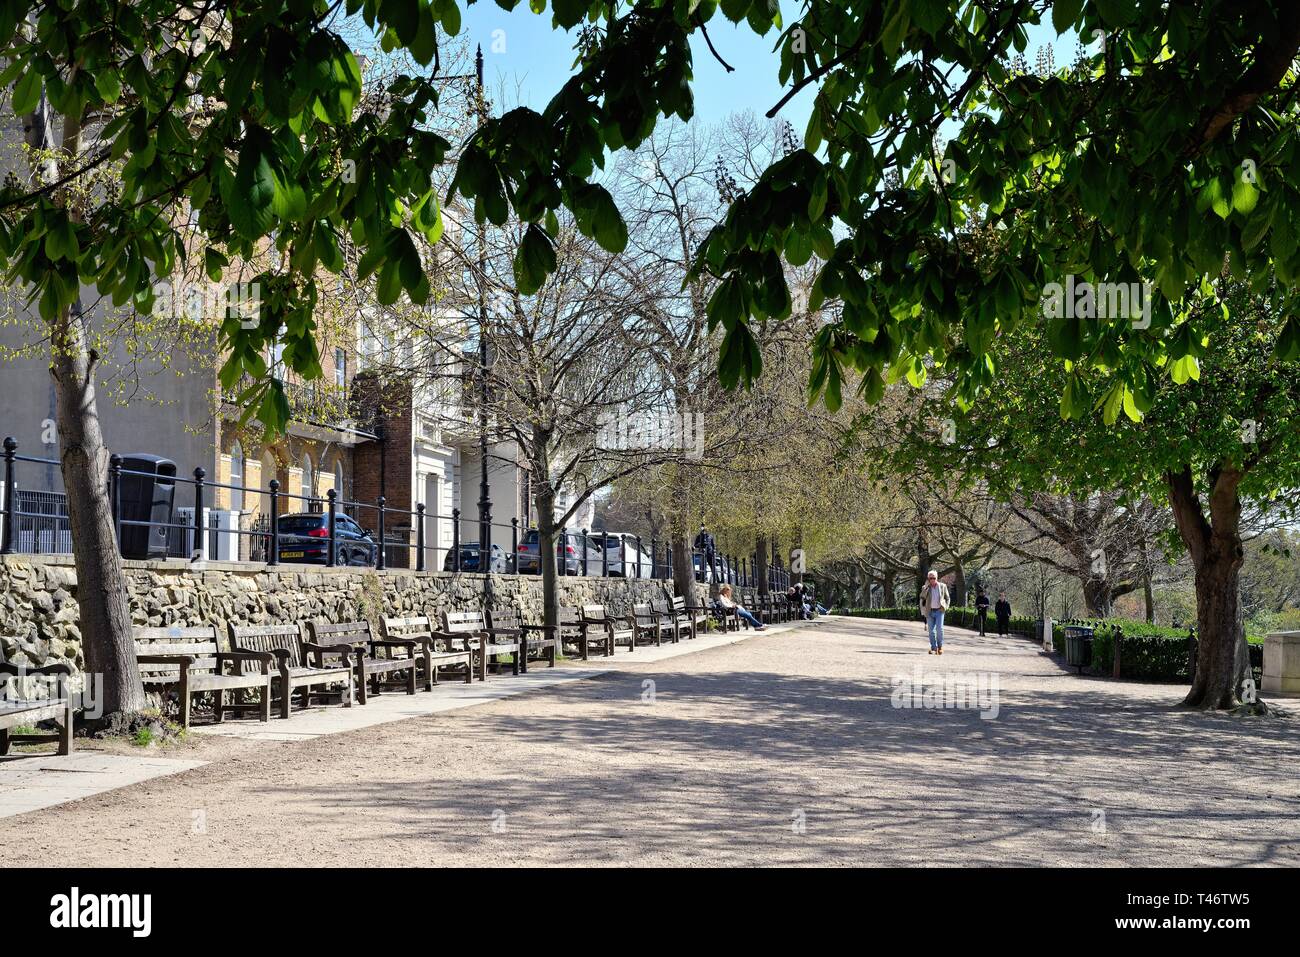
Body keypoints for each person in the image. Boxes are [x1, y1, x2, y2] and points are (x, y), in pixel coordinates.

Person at [918, 570, 950, 655]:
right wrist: (926, 588)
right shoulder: (925, 587)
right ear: (928, 578)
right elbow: (922, 596)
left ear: (937, 578)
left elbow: (947, 598)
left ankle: (940, 647)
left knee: (940, 630)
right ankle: (933, 648)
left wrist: (945, 607)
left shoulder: (943, 586)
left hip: (939, 611)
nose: (932, 579)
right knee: (931, 631)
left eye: (934, 578)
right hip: (930, 611)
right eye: (930, 578)